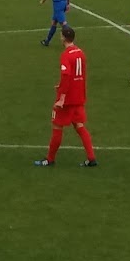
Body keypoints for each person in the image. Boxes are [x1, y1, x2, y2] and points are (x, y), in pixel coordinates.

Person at [34, 25, 98, 168]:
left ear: (63, 38)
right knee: (80, 126)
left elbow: (66, 75)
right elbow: (78, 75)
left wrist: (62, 97)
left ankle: (49, 159)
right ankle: (91, 158)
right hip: (79, 96)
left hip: (67, 99)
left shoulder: (66, 55)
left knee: (57, 126)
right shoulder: (81, 52)